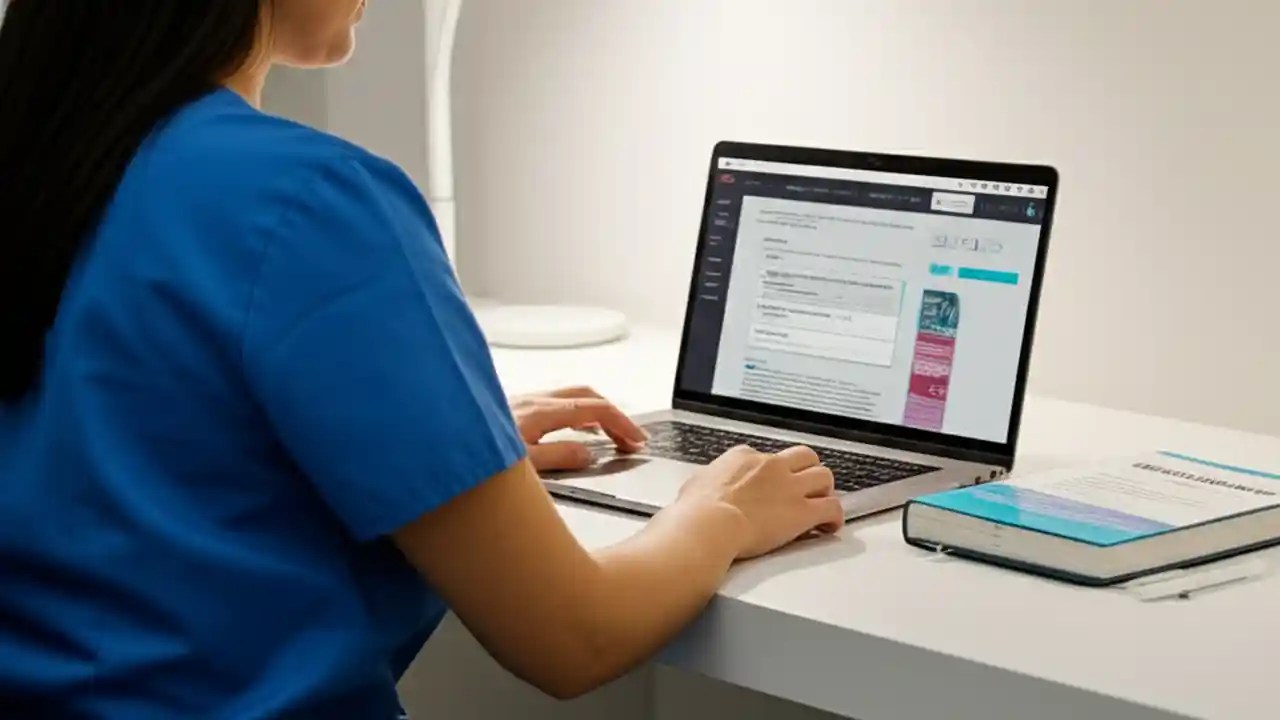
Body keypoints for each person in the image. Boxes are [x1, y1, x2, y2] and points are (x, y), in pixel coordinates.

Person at [0, 2, 843, 718]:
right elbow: (573, 636)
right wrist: (722, 514)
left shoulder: (48, 164)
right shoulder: (307, 198)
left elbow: (132, 445)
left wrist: (440, 448)